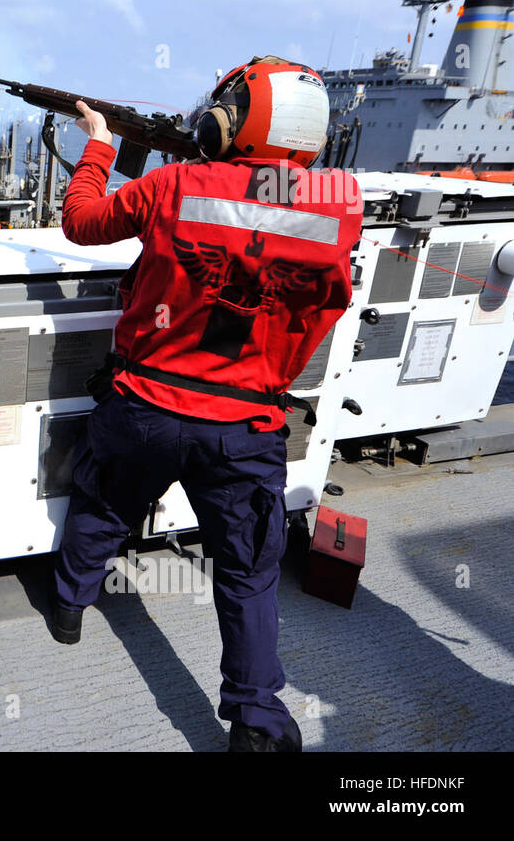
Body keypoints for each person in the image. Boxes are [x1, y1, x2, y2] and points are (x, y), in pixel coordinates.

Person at [51, 56, 362, 752]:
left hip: (145, 407)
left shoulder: (169, 184)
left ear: (227, 122)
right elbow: (279, 219)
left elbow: (80, 223)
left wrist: (100, 142)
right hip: (246, 425)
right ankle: (255, 721)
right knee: (249, 572)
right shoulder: (342, 204)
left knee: (104, 504)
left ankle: (69, 606)